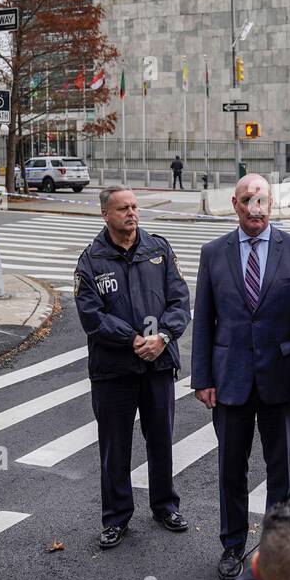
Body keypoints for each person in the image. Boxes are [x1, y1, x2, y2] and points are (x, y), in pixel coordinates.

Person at [192, 174, 290, 580]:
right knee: (231, 468)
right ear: (235, 204)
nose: (255, 208)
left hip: (281, 379)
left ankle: (277, 548)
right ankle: (232, 544)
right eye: (247, 200)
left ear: (271, 203)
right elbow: (204, 321)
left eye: (261, 200)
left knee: (280, 468)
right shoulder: (213, 253)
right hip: (230, 379)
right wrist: (202, 378)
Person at [74, 185, 191, 549]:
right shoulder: (91, 260)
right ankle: (116, 518)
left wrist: (162, 337)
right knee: (115, 447)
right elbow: (91, 315)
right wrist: (132, 340)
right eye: (123, 208)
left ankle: (165, 506)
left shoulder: (159, 249)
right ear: (105, 214)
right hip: (113, 370)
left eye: (134, 206)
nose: (131, 213)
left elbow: (180, 300)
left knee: (161, 441)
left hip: (158, 365)